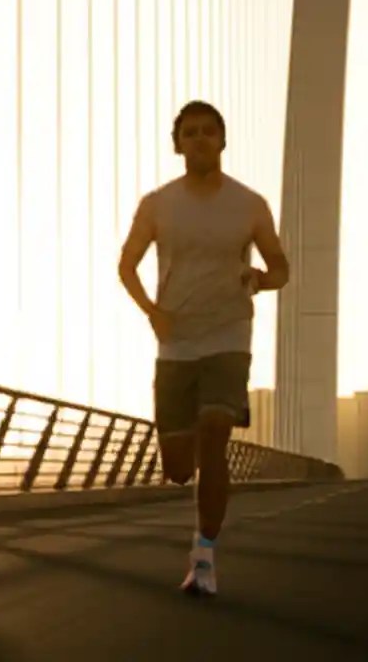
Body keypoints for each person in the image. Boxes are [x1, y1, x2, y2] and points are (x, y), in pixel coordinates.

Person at [117, 100, 289, 596]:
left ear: (222, 140)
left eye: (208, 132)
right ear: (177, 145)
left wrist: (260, 278)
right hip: (176, 341)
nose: (199, 140)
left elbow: (280, 267)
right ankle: (184, 448)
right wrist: (153, 312)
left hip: (229, 334)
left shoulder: (250, 204)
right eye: (189, 133)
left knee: (215, 434)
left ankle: (204, 559)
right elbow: (126, 265)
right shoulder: (157, 204)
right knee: (177, 467)